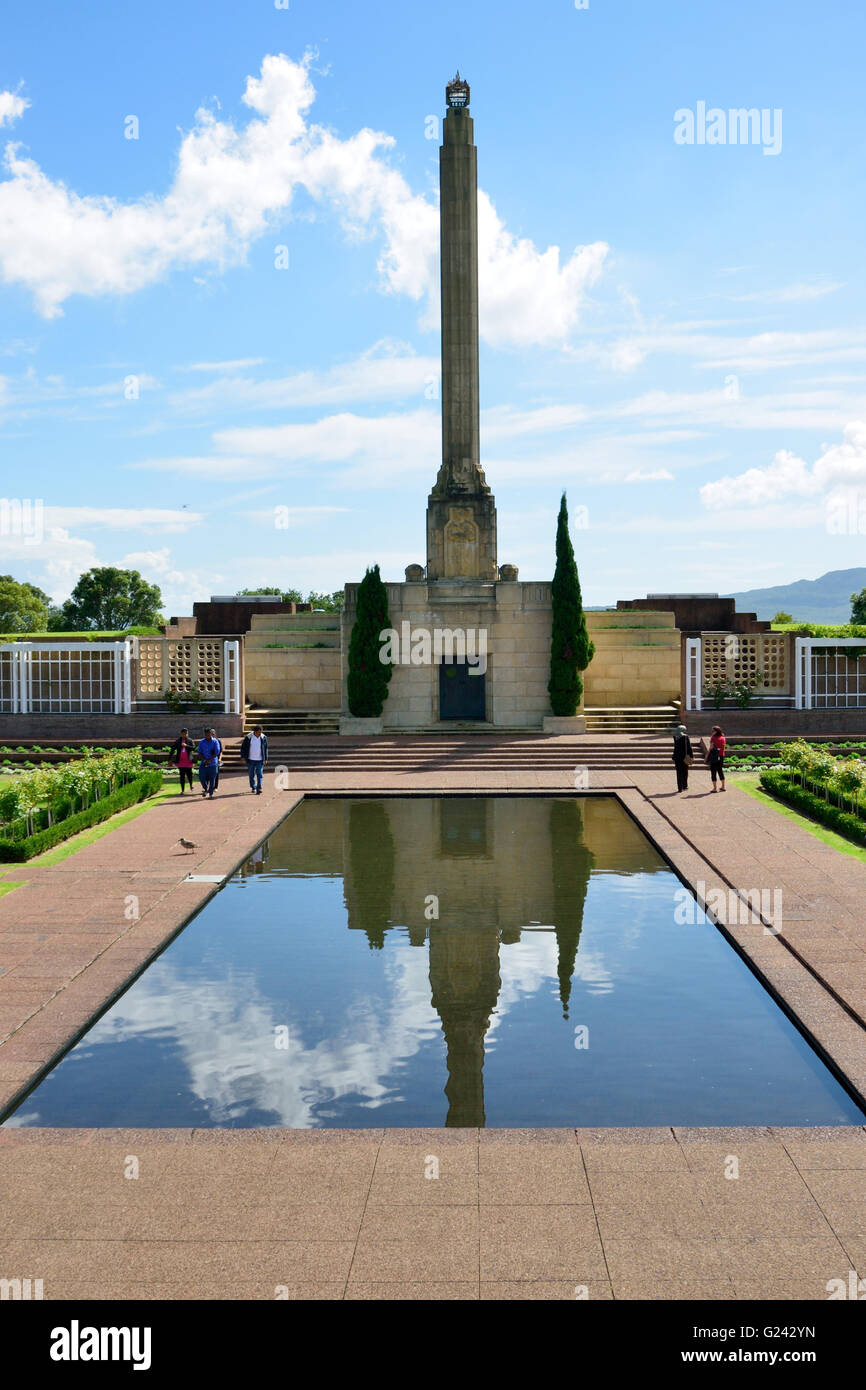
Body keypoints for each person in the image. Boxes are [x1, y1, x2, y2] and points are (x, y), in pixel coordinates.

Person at [240, 724, 268, 795]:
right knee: (251, 774)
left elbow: (265, 748)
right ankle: (253, 787)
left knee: (260, 774)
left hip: (260, 759)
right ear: (254, 732)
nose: (260, 733)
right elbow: (243, 747)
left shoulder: (263, 737)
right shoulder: (248, 737)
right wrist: (243, 756)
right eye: (259, 732)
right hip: (250, 759)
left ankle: (259, 788)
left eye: (261, 732)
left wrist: (265, 759)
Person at [167, 727, 195, 795]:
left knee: (189, 775)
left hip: (188, 761)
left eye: (186, 734)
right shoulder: (178, 741)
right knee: (182, 776)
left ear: (187, 734)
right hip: (181, 761)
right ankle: (182, 790)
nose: (184, 735)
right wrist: (169, 759)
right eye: (183, 734)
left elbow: (193, 748)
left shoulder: (190, 740)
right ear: (181, 734)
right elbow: (172, 749)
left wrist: (186, 746)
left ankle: (191, 785)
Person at [197, 727, 222, 799]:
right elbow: (199, 752)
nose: (208, 735)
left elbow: (217, 752)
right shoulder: (202, 742)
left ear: (211, 733)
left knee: (212, 779)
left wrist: (209, 760)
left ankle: (210, 793)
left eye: (209, 734)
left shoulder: (215, 741)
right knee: (201, 777)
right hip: (204, 763)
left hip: (213, 763)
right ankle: (205, 788)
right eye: (206, 734)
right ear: (205, 734)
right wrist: (204, 760)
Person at [672, 723, 693, 793]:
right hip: (684, 757)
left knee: (678, 772)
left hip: (677, 757)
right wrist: (692, 756)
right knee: (685, 771)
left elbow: (676, 747)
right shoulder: (685, 737)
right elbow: (689, 747)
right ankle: (685, 785)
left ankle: (679, 788)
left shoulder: (675, 736)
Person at [708, 724, 727, 792]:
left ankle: (715, 788)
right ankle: (723, 786)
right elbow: (723, 747)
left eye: (713, 730)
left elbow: (711, 747)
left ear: (716, 731)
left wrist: (707, 756)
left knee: (713, 772)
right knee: (720, 771)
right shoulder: (723, 738)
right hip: (721, 756)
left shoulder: (713, 738)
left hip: (714, 756)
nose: (712, 732)